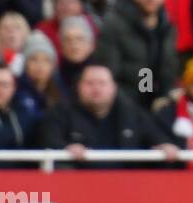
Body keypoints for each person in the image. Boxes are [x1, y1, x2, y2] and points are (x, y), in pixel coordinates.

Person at [37, 62, 179, 166]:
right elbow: (48, 140)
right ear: (79, 87)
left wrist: (165, 145)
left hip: (127, 187)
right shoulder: (61, 112)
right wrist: (65, 149)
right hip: (79, 185)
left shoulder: (132, 113)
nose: (96, 88)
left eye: (102, 83)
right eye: (90, 83)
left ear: (113, 88)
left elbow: (158, 138)